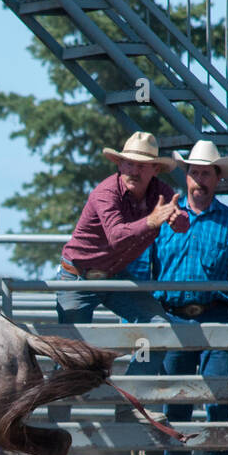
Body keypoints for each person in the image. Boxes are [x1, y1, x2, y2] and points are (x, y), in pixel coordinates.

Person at [149, 141, 228, 455]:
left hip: (215, 316)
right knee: (175, 404)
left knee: (219, 399)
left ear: (217, 179)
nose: (199, 179)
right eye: (194, 172)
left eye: (206, 173)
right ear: (186, 177)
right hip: (173, 318)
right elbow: (143, 269)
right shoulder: (164, 215)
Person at [56, 131, 189, 324]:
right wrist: (151, 221)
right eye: (129, 164)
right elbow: (117, 237)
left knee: (160, 327)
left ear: (155, 169)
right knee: (74, 348)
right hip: (78, 276)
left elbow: (183, 219)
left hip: (113, 275)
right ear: (120, 165)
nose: (134, 171)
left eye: (142, 166)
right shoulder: (106, 192)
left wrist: (179, 219)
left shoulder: (160, 191)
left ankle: (139, 355)